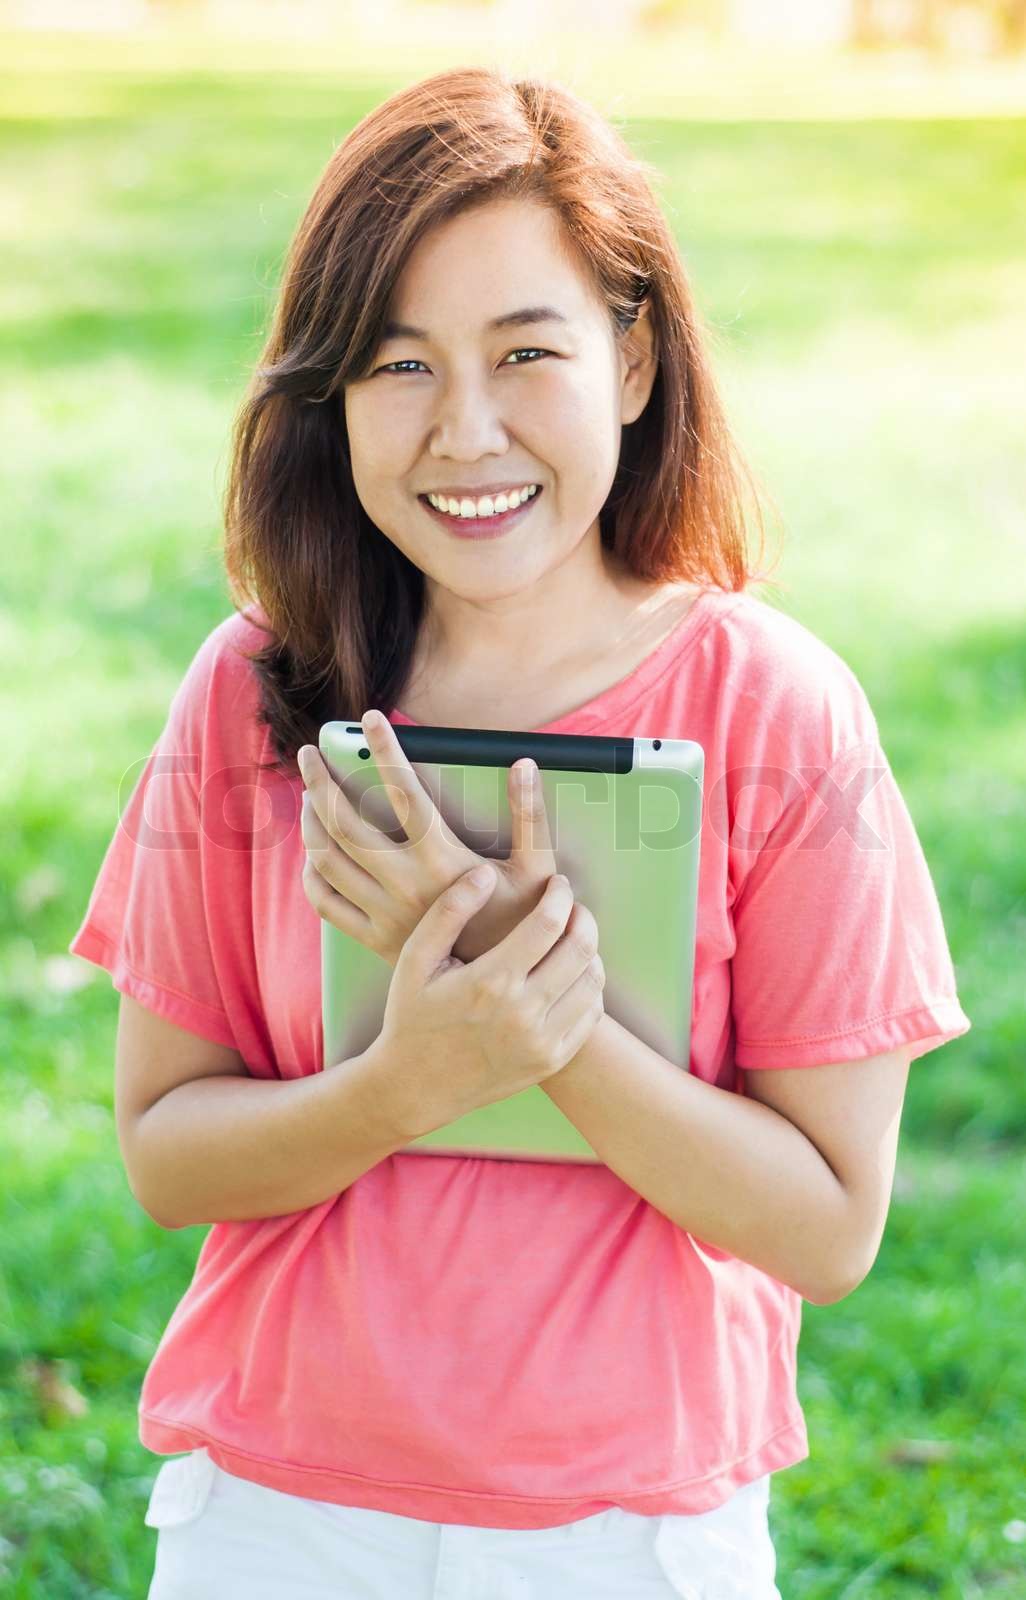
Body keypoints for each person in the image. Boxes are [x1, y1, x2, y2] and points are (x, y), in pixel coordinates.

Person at [68, 66, 971, 1600]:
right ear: (331, 394)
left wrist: (537, 1025)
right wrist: (407, 1080)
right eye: (398, 366)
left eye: (525, 351)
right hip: (275, 1518)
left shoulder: (777, 713)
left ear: (630, 362)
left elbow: (825, 1228)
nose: (463, 432)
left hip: (628, 1537)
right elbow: (167, 1153)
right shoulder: (255, 693)